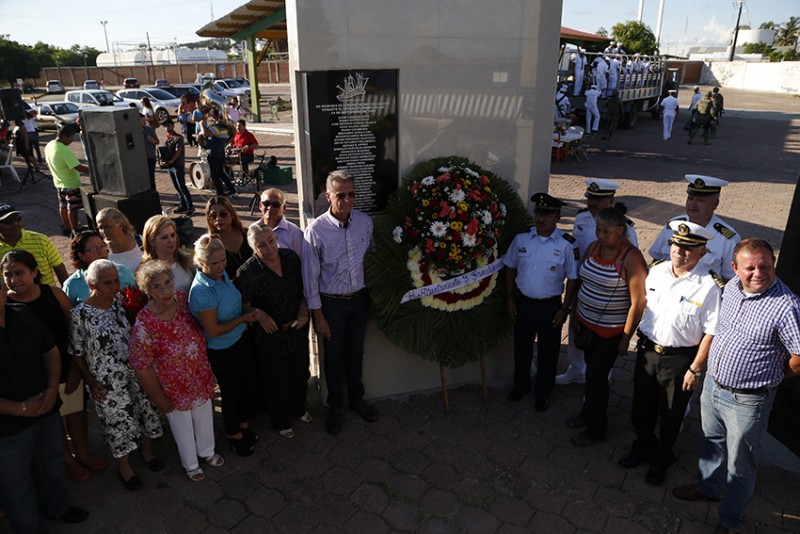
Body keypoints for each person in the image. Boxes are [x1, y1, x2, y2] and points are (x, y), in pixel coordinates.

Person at [673, 239, 800, 534]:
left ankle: (731, 522)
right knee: (711, 442)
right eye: (750, 267)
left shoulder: (786, 307)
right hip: (714, 386)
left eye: (765, 266)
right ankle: (708, 488)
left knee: (740, 467)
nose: (758, 273)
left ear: (774, 265)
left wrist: (772, 375)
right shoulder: (730, 288)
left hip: (748, 401)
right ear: (735, 268)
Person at [618, 221, 721, 486]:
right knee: (642, 407)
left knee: (671, 413)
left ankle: (663, 458)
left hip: (680, 360)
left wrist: (695, 368)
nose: (680, 252)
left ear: (702, 252)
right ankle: (642, 445)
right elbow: (641, 306)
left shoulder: (708, 286)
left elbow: (711, 331)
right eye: (676, 244)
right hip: (648, 351)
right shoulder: (657, 271)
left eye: (689, 248)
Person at [2, 250, 109, 483]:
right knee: (52, 418)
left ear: (34, 272)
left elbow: (76, 332)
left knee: (75, 412)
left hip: (68, 366)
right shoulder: (5, 304)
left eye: (19, 273)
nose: (13, 280)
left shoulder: (54, 295)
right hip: (33, 377)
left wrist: (74, 370)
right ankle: (67, 460)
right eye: (7, 274)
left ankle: (83, 453)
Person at [0, 275, 90, 532]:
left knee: (51, 464)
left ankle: (57, 508)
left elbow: (50, 351)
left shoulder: (21, 313)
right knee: (16, 486)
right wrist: (19, 409)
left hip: (45, 409)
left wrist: (52, 388)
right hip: (6, 429)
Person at [69, 260, 164, 491]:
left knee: (146, 410)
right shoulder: (80, 315)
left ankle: (147, 451)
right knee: (117, 422)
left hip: (136, 371)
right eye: (107, 282)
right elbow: (76, 351)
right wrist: (90, 381)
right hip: (107, 381)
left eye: (116, 280)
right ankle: (124, 467)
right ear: (92, 284)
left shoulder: (121, 301)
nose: (114, 286)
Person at [129, 260, 224, 482]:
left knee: (203, 416)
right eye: (157, 286)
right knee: (182, 428)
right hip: (173, 386)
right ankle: (191, 465)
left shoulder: (183, 301)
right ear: (147, 290)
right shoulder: (144, 322)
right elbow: (140, 365)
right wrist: (158, 397)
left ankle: (207, 452)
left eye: (168, 282)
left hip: (198, 376)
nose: (165, 289)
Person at [303, 169, 378, 434]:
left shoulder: (364, 223)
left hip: (358, 301)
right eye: (341, 195)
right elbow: (310, 279)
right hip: (331, 305)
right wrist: (318, 316)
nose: (347, 200)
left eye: (351, 195)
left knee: (356, 352)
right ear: (328, 196)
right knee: (333, 356)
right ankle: (335, 406)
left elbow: (369, 260)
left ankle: (357, 399)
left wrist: (370, 299)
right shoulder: (315, 232)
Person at [566, 207, 647, 447]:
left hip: (610, 333)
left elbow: (638, 302)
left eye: (606, 231)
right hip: (586, 325)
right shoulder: (593, 248)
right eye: (598, 230)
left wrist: (625, 338)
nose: (600, 235)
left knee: (597, 377)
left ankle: (597, 428)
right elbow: (581, 280)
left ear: (621, 231)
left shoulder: (631, 258)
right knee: (592, 374)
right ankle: (587, 412)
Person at [557, 179, 638, 386]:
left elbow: (631, 262)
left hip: (608, 286)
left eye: (597, 199)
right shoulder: (582, 217)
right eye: (590, 198)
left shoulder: (626, 228)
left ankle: (601, 376)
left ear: (610, 200)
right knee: (576, 329)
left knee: (602, 339)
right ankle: (575, 369)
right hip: (583, 280)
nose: (591, 202)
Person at [504, 193, 578, 411]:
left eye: (547, 214)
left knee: (548, 353)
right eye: (538, 213)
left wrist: (565, 308)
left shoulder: (567, 244)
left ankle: (543, 393)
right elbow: (509, 266)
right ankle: (521, 387)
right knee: (522, 349)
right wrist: (509, 297)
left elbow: (573, 278)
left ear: (557, 216)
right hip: (523, 304)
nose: (541, 218)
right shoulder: (522, 239)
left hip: (550, 307)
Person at [238, 223, 312, 438]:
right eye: (262, 245)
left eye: (271, 241)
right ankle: (282, 421)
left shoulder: (290, 258)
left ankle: (300, 409)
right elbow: (242, 304)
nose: (269, 247)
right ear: (254, 248)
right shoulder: (248, 271)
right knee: (276, 380)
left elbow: (304, 288)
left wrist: (303, 310)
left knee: (300, 372)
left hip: (296, 329)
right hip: (269, 336)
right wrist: (259, 314)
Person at [188, 234, 259, 452]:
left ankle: (242, 422)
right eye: (214, 263)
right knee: (231, 391)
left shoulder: (221, 275)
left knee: (247, 384)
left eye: (223, 260)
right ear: (201, 263)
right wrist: (243, 319)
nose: (220, 266)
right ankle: (232, 431)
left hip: (239, 339)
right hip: (222, 348)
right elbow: (214, 331)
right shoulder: (201, 291)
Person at [649, 174, 740, 282]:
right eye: (690, 198)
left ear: (715, 204)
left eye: (700, 200)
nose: (693, 204)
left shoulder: (728, 239)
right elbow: (656, 259)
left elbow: (730, 279)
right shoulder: (673, 225)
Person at [0, 203, 69, 286]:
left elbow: (59, 268)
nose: (15, 223)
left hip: (48, 294)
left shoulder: (41, 240)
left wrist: (67, 293)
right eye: (8, 222)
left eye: (17, 219)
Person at [62, 231, 136, 305]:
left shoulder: (122, 271)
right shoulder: (71, 284)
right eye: (93, 249)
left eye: (102, 246)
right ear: (81, 256)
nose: (101, 252)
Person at [44, 124, 88, 236]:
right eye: (72, 137)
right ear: (64, 136)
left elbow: (48, 163)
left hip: (58, 182)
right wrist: (93, 171)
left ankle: (66, 228)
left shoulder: (49, 145)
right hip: (70, 183)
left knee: (63, 206)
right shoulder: (63, 150)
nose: (72, 140)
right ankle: (75, 231)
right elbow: (78, 167)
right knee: (73, 208)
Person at [141, 215, 195, 293]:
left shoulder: (187, 259)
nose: (171, 241)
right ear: (151, 241)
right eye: (164, 237)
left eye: (173, 235)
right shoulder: (145, 270)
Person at [205, 196, 253, 279]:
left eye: (223, 214)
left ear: (232, 215)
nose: (218, 219)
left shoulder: (248, 234)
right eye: (213, 216)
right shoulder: (209, 246)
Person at [199, 108, 237, 197]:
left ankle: (220, 193)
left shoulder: (216, 128)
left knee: (214, 174)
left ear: (216, 116)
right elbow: (232, 136)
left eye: (213, 115)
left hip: (213, 153)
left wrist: (201, 124)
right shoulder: (225, 128)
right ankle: (232, 190)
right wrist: (225, 144)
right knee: (221, 172)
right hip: (220, 152)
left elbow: (205, 133)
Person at [161, 119, 194, 215]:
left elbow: (178, 151)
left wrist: (171, 160)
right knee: (177, 187)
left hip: (178, 166)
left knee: (182, 187)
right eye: (165, 126)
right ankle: (183, 205)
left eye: (168, 126)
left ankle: (190, 207)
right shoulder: (168, 138)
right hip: (170, 166)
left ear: (172, 126)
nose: (167, 128)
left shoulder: (178, 138)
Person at [258, 188, 304, 257]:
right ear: (260, 206)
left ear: (284, 208)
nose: (270, 208)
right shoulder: (253, 230)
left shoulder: (295, 233)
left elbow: (302, 260)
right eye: (266, 204)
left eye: (276, 205)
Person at [96, 207, 143, 273]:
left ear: (120, 224)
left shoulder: (140, 241)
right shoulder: (103, 252)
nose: (103, 231)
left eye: (107, 227)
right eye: (100, 228)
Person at [140, 113, 159, 190]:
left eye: (145, 120)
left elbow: (157, 141)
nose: (144, 122)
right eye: (142, 120)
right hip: (141, 158)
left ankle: (153, 192)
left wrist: (152, 140)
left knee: (151, 176)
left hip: (150, 157)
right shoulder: (134, 131)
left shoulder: (149, 129)